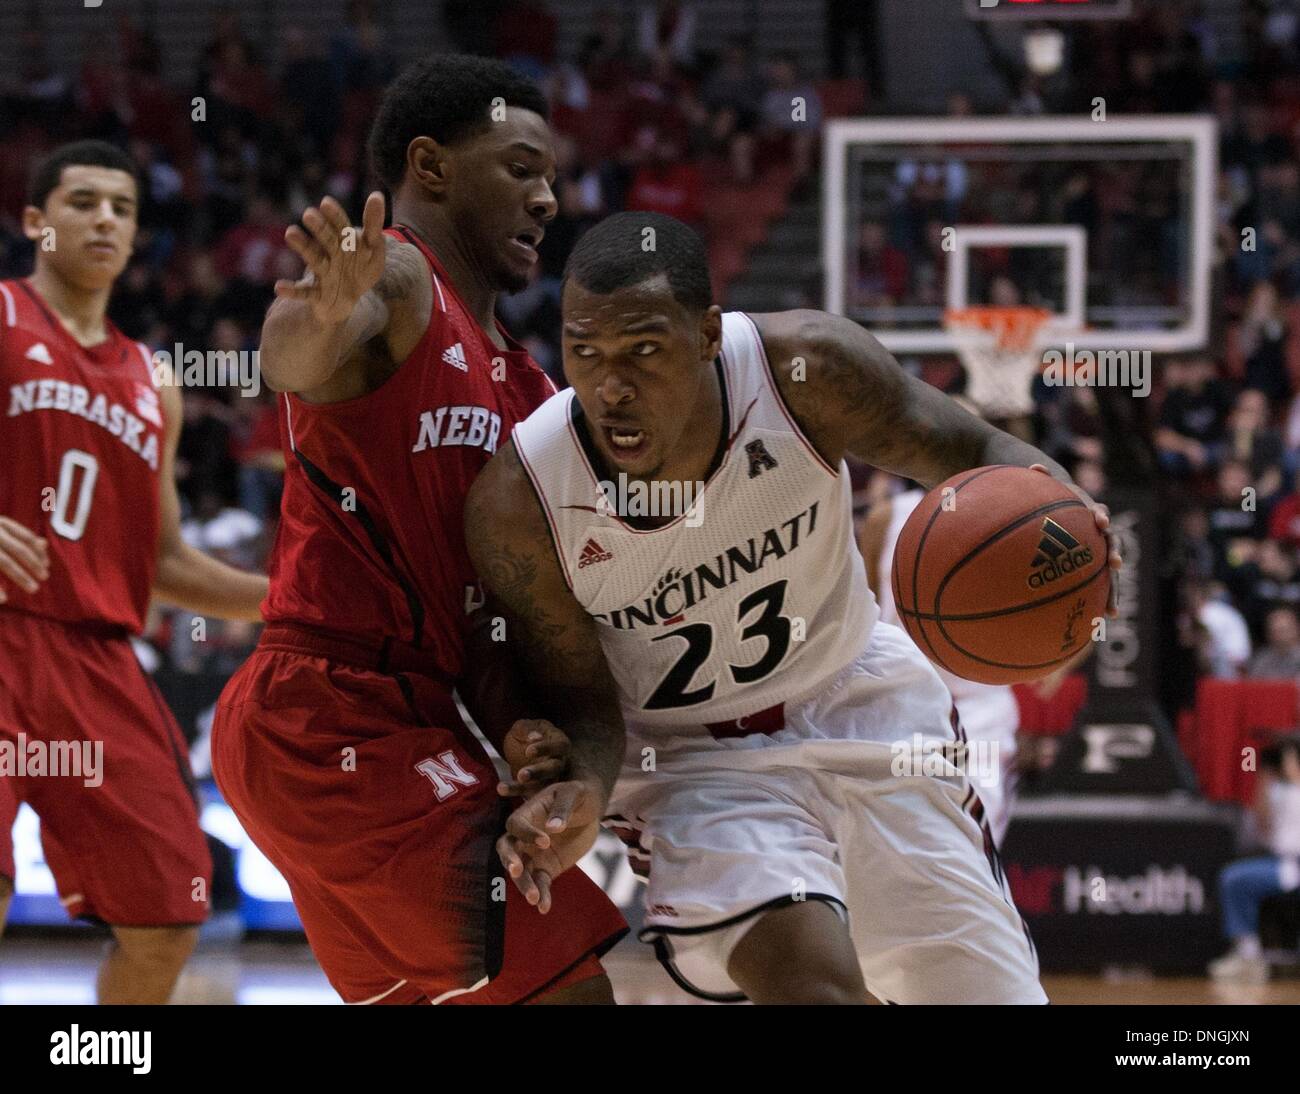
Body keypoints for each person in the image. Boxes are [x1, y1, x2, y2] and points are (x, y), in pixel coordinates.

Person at [466, 211, 1122, 1004]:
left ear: (708, 335)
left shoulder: (807, 369)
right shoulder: (522, 502)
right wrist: (586, 791)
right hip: (693, 765)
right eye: (585, 352)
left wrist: (1070, 522)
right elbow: (589, 709)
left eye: (643, 351)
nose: (610, 387)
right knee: (817, 988)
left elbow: (979, 453)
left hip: (861, 702)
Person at [209, 54, 626, 1006]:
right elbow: (295, 354)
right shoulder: (398, 276)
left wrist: (523, 723)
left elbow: (495, 604)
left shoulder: (528, 389)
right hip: (327, 710)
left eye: (554, 178)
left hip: (415, 718)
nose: (549, 199)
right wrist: (314, 317)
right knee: (570, 990)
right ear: (431, 167)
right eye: (521, 168)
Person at [0, 140, 268, 1003]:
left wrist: (295, 603)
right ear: (36, 222)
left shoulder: (154, 380)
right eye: (81, 201)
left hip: (100, 658)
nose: (105, 218)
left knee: (167, 914)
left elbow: (159, 561)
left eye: (121, 204)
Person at [858, 476, 1022, 847]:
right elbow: (863, 612)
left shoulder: (1016, 515)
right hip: (897, 705)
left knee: (970, 851)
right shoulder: (887, 517)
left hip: (978, 711)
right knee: (888, 854)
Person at [1210, 737, 1300, 982]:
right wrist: (1264, 778)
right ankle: (1248, 956)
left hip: (1294, 866)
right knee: (1234, 877)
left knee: (1237, 878)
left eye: (1292, 758)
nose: (1288, 764)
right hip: (1282, 863)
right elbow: (1261, 821)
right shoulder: (1282, 791)